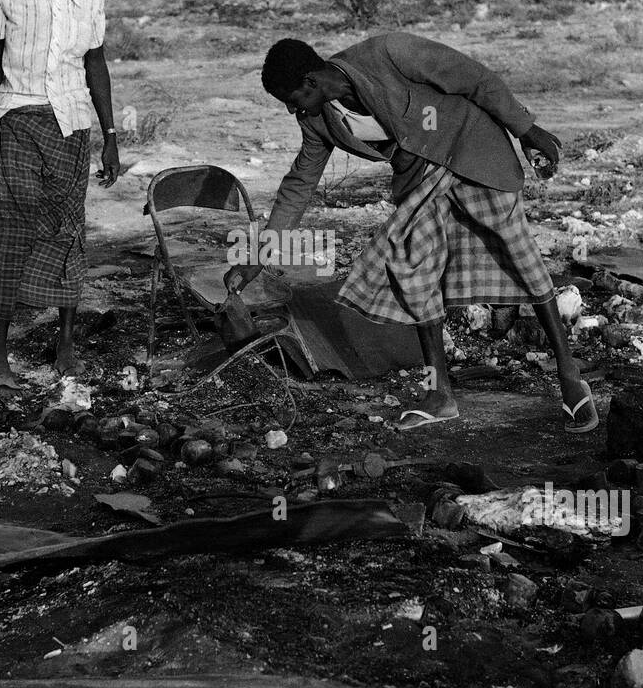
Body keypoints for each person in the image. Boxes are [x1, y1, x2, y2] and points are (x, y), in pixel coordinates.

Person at [225, 32, 597, 433]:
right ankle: (440, 394)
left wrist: (527, 130)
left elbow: (475, 78)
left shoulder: (389, 53)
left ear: (311, 82)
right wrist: (255, 258)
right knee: (411, 268)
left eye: (291, 98)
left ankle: (570, 377)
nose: (290, 109)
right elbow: (299, 184)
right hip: (420, 181)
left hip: (473, 154)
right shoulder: (317, 119)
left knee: (519, 257)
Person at [0, 0, 119, 388]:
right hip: (17, 119)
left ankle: (66, 346)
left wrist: (111, 135)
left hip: (72, 125)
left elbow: (96, 65)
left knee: (68, 230)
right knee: (5, 231)